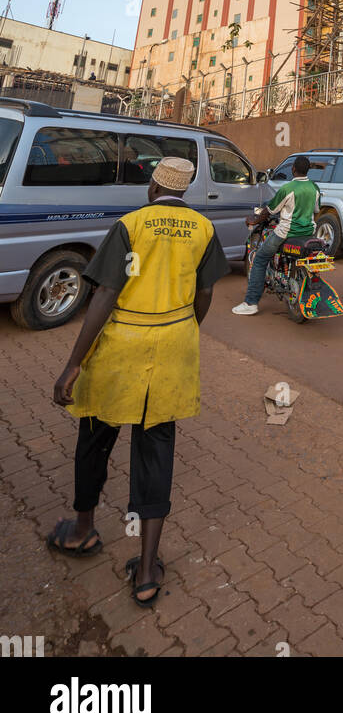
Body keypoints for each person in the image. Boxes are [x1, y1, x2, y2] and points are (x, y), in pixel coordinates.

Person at [48, 157, 229, 605]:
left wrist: (75, 363)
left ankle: (84, 531)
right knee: (156, 451)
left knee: (94, 437)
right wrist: (188, 327)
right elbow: (204, 293)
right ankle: (146, 572)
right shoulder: (203, 230)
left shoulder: (131, 225)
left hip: (119, 352)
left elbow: (105, 293)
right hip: (173, 350)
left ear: (153, 186)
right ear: (184, 189)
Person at [233, 155, 320, 315]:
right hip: (308, 232)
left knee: (260, 259)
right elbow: (316, 210)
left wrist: (255, 219)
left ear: (293, 169)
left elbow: (270, 210)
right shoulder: (315, 188)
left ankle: (251, 303)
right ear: (307, 170)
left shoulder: (288, 188)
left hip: (287, 232)